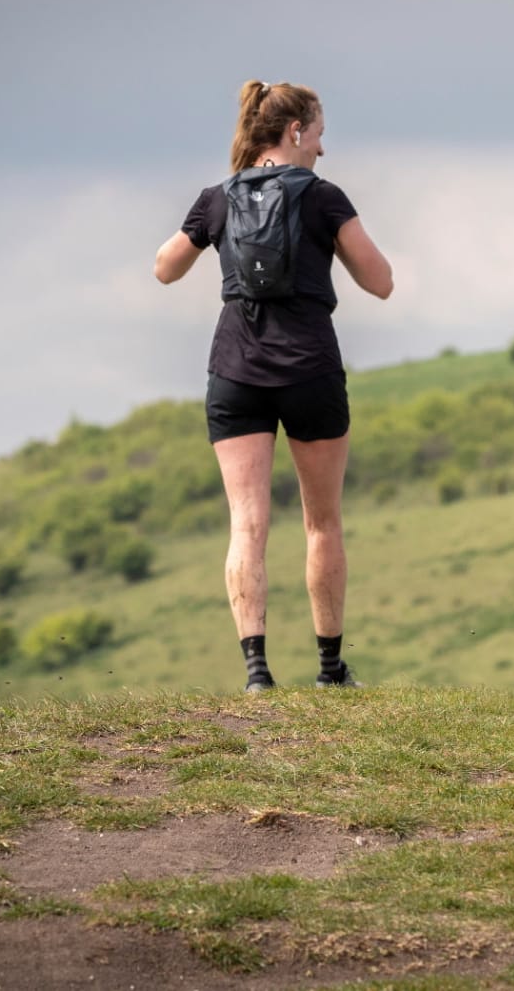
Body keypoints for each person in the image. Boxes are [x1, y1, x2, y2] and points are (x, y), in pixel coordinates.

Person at [153, 80, 393, 692]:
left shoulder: (218, 198)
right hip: (310, 369)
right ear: (294, 132)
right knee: (322, 523)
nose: (322, 147)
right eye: (318, 133)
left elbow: (164, 268)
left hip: (235, 372)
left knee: (247, 525)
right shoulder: (323, 197)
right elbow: (381, 282)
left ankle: (258, 673)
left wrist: (210, 231)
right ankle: (330, 670)